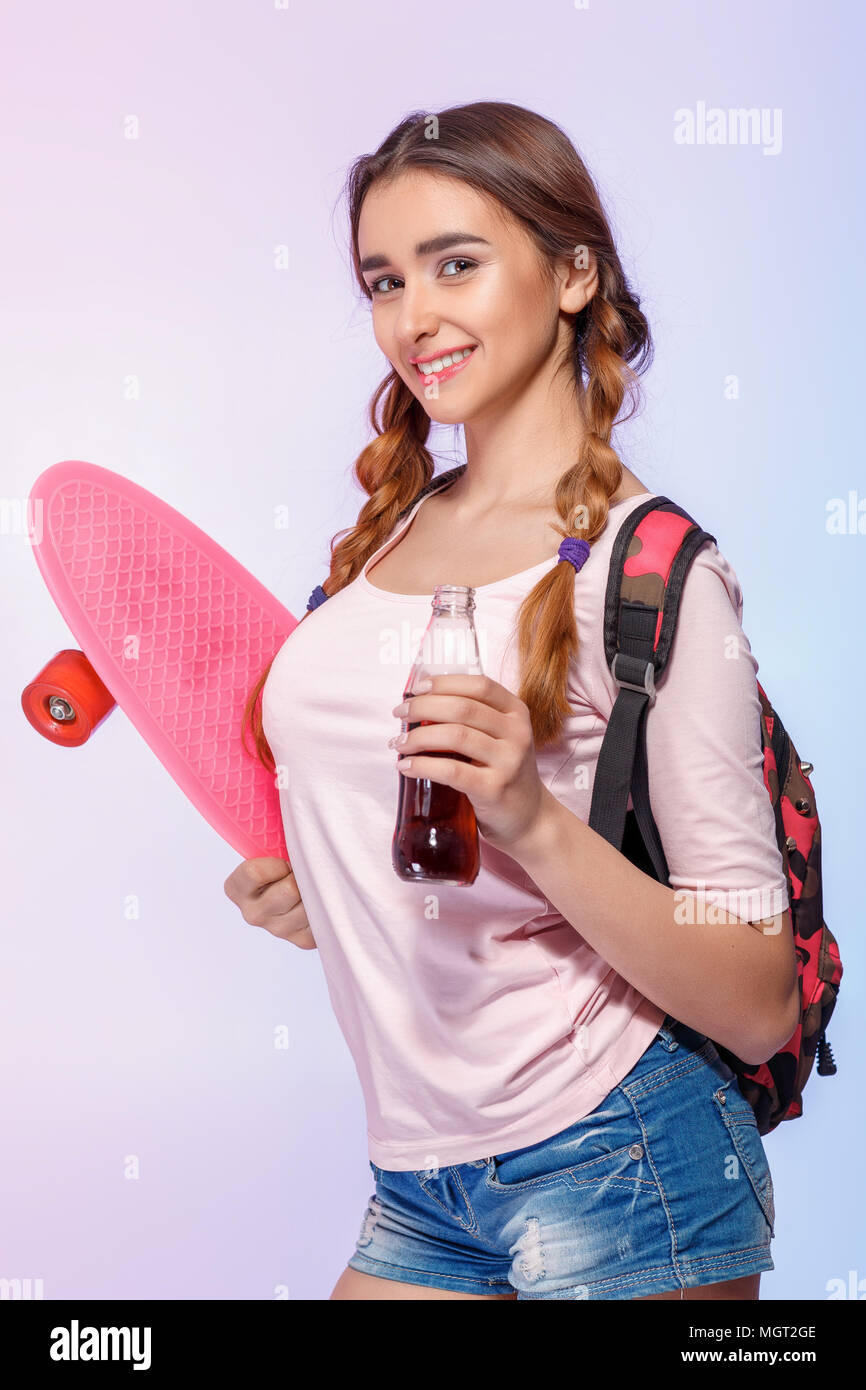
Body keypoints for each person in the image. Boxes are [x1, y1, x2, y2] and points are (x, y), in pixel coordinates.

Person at [225, 100, 798, 1301]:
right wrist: (325, 889)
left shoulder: (652, 572)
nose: (412, 317)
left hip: (621, 1153)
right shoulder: (385, 540)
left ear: (573, 272)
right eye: (384, 279)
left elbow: (754, 993)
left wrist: (530, 821)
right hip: (421, 1173)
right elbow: (440, 885)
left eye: (456, 264)